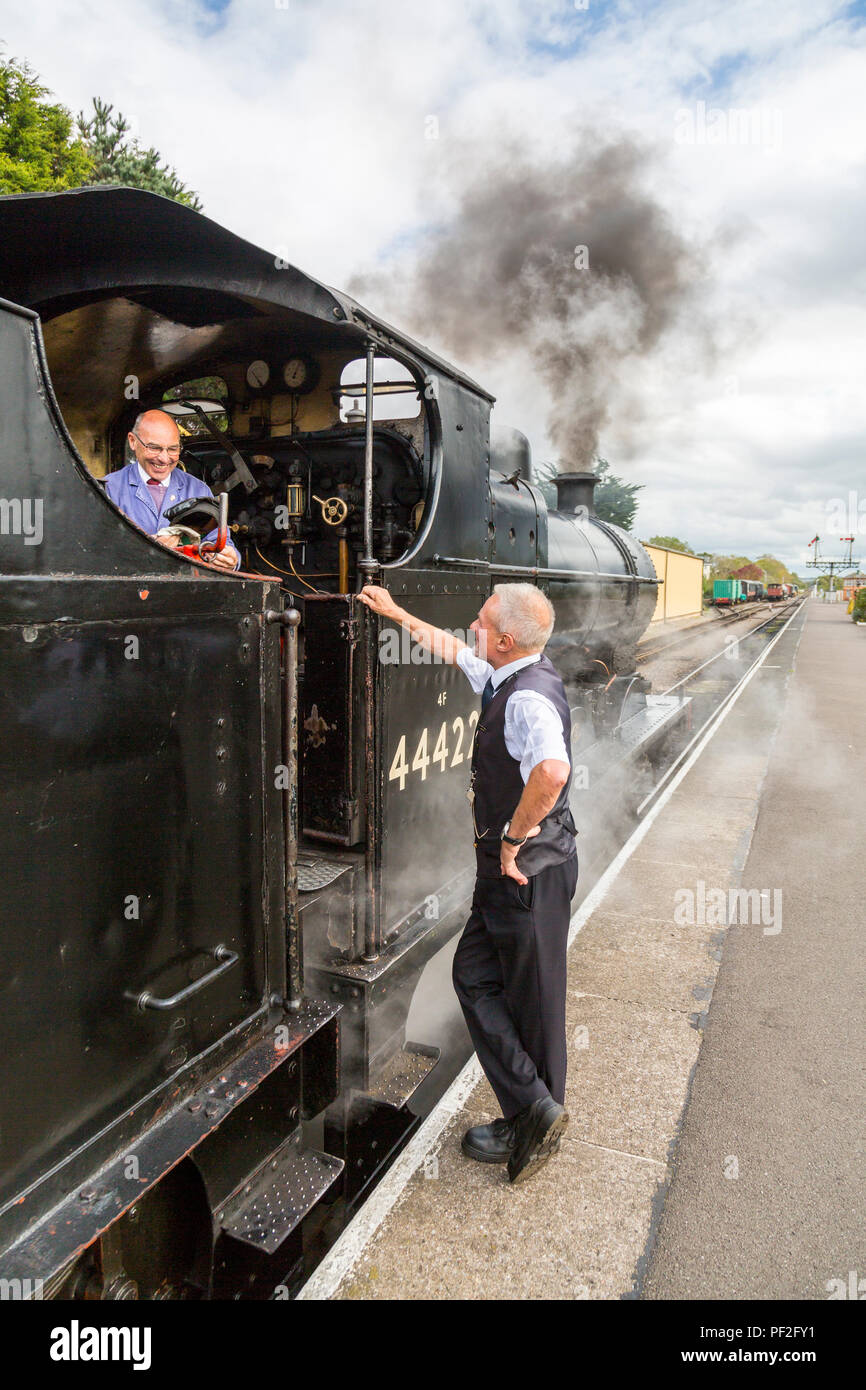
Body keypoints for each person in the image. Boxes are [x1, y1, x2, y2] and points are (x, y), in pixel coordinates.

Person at [357, 580, 578, 1184]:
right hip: (504, 874)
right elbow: (452, 651)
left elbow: (551, 774)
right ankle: (532, 1106)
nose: (470, 628)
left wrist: (511, 839)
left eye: (480, 622)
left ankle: (533, 1120)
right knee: (476, 976)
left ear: (506, 639)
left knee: (533, 1000)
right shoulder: (511, 673)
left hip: (526, 873)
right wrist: (397, 612)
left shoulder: (527, 700)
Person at [104, 409, 240, 572]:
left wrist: (231, 560)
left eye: (173, 449)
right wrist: (148, 550)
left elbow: (220, 543)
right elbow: (97, 551)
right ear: (133, 441)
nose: (164, 458)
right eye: (154, 448)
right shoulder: (110, 488)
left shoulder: (198, 489)